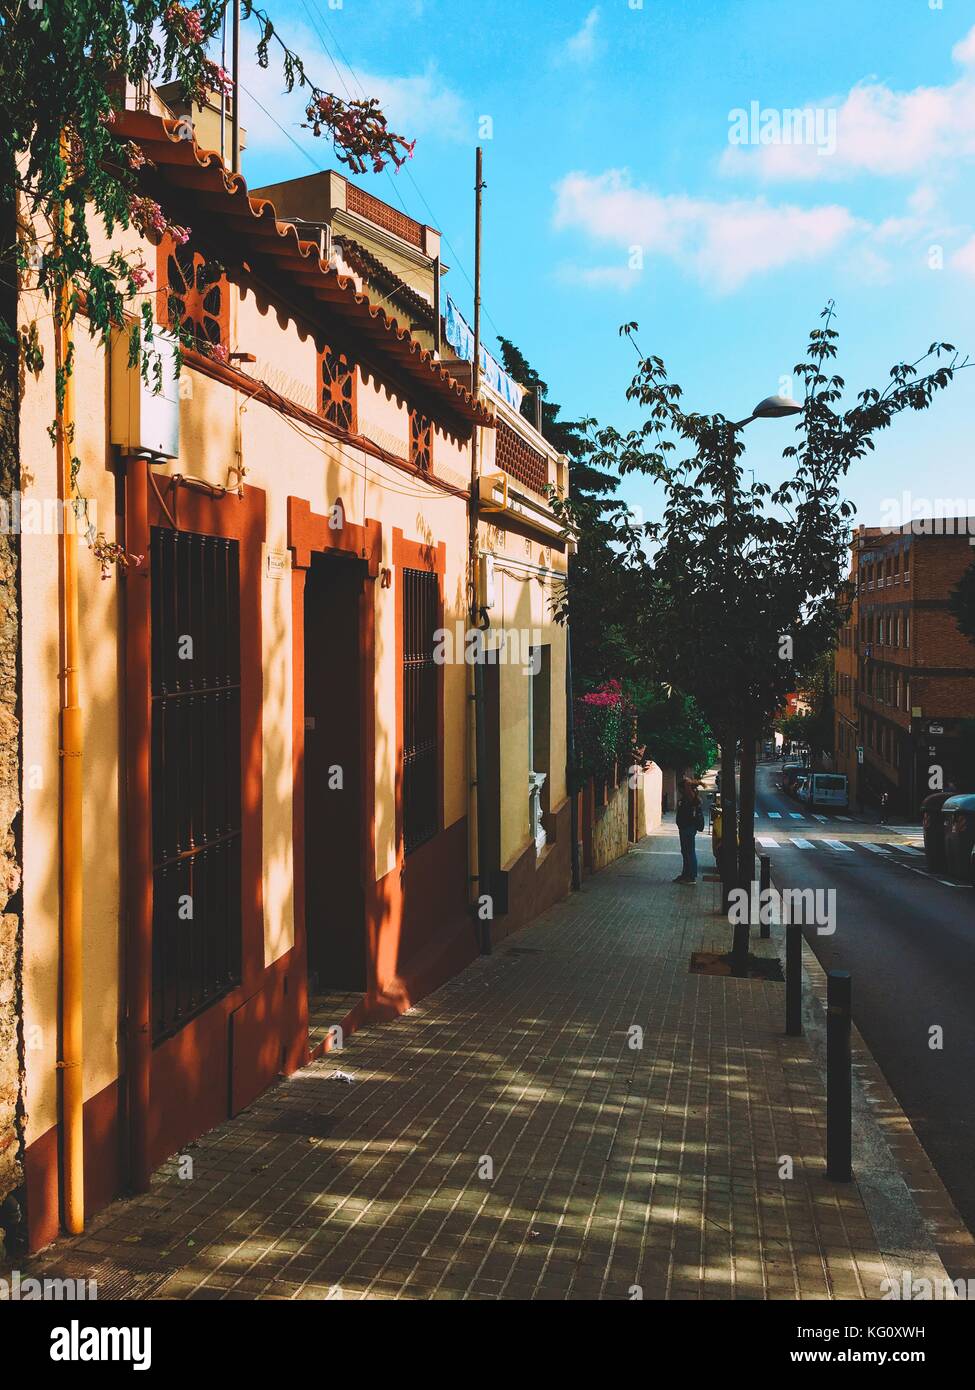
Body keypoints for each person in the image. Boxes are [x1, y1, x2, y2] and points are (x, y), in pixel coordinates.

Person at [674, 776, 705, 884]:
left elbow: (686, 815)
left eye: (680, 789)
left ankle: (690, 876)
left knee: (689, 852)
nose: (679, 791)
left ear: (684, 789)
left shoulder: (690, 799)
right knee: (686, 852)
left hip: (687, 828)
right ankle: (686, 874)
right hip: (686, 828)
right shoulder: (690, 798)